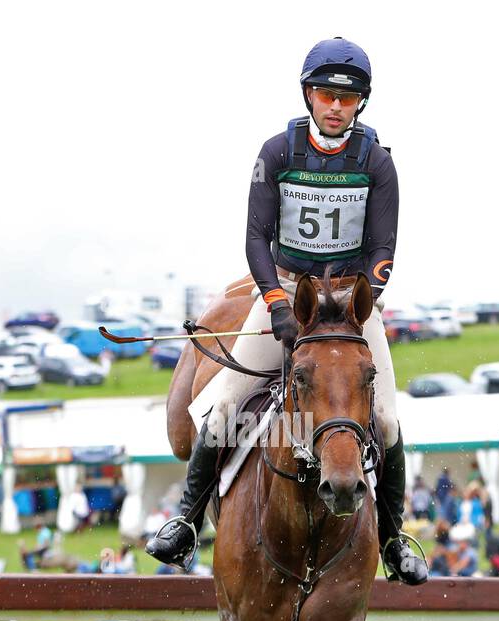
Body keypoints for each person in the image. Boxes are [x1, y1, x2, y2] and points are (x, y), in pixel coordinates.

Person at [146, 38, 426, 586]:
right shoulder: (277, 152)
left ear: (360, 104)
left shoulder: (377, 162)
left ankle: (394, 539)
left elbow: (383, 250)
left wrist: (359, 303)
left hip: (349, 303)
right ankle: (184, 523)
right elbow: (256, 237)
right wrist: (275, 300)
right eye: (327, 94)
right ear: (309, 95)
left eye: (348, 98)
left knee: (388, 420)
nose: (336, 105)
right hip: (287, 292)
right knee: (223, 405)